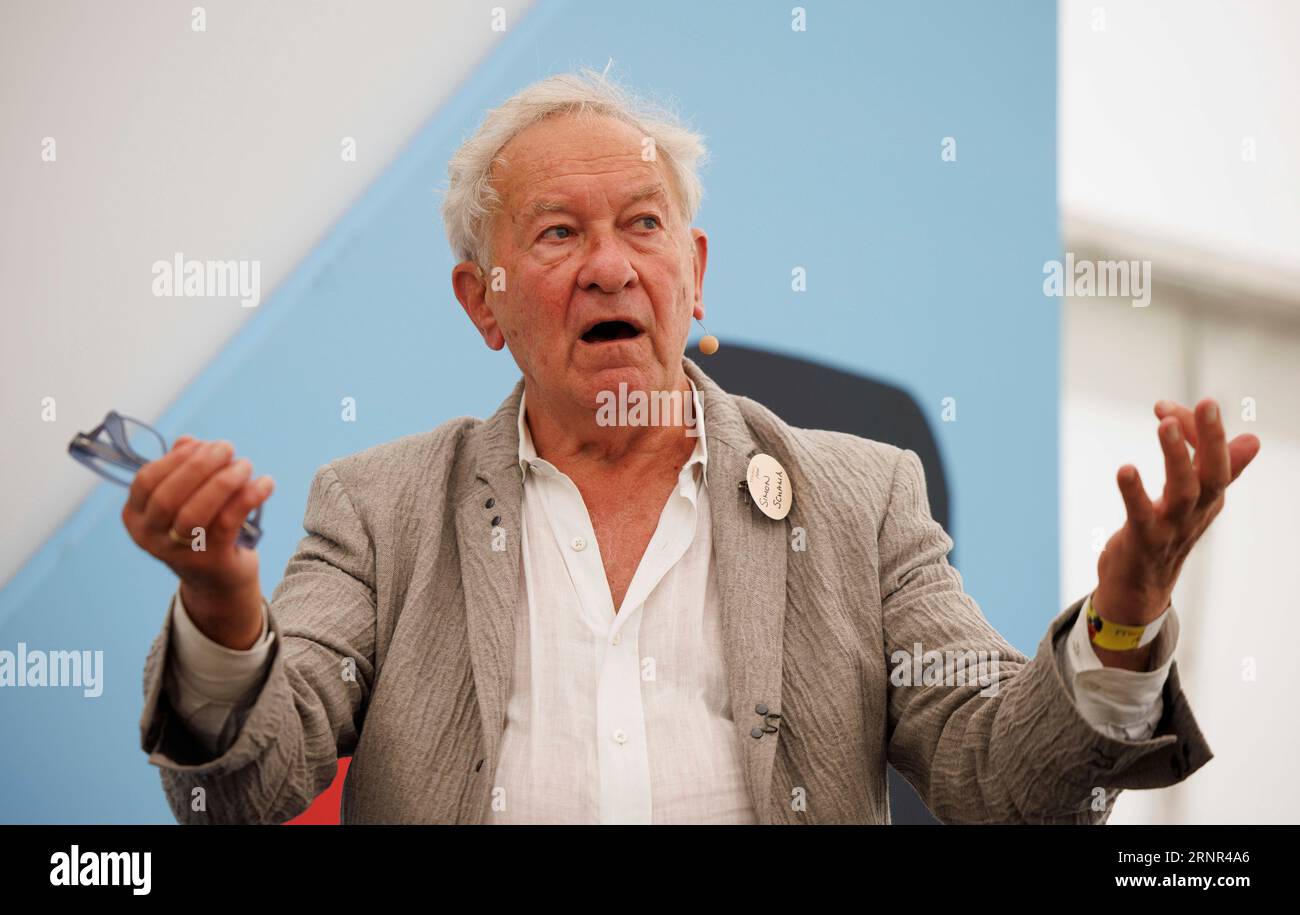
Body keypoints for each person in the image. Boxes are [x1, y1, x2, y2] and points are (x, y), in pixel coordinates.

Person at [125, 70, 1259, 824]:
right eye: (559, 233)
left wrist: (1121, 620)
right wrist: (226, 612)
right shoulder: (377, 510)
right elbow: (245, 787)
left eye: (643, 225)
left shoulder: (861, 500)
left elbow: (1001, 773)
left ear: (695, 273)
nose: (611, 266)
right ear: (486, 302)